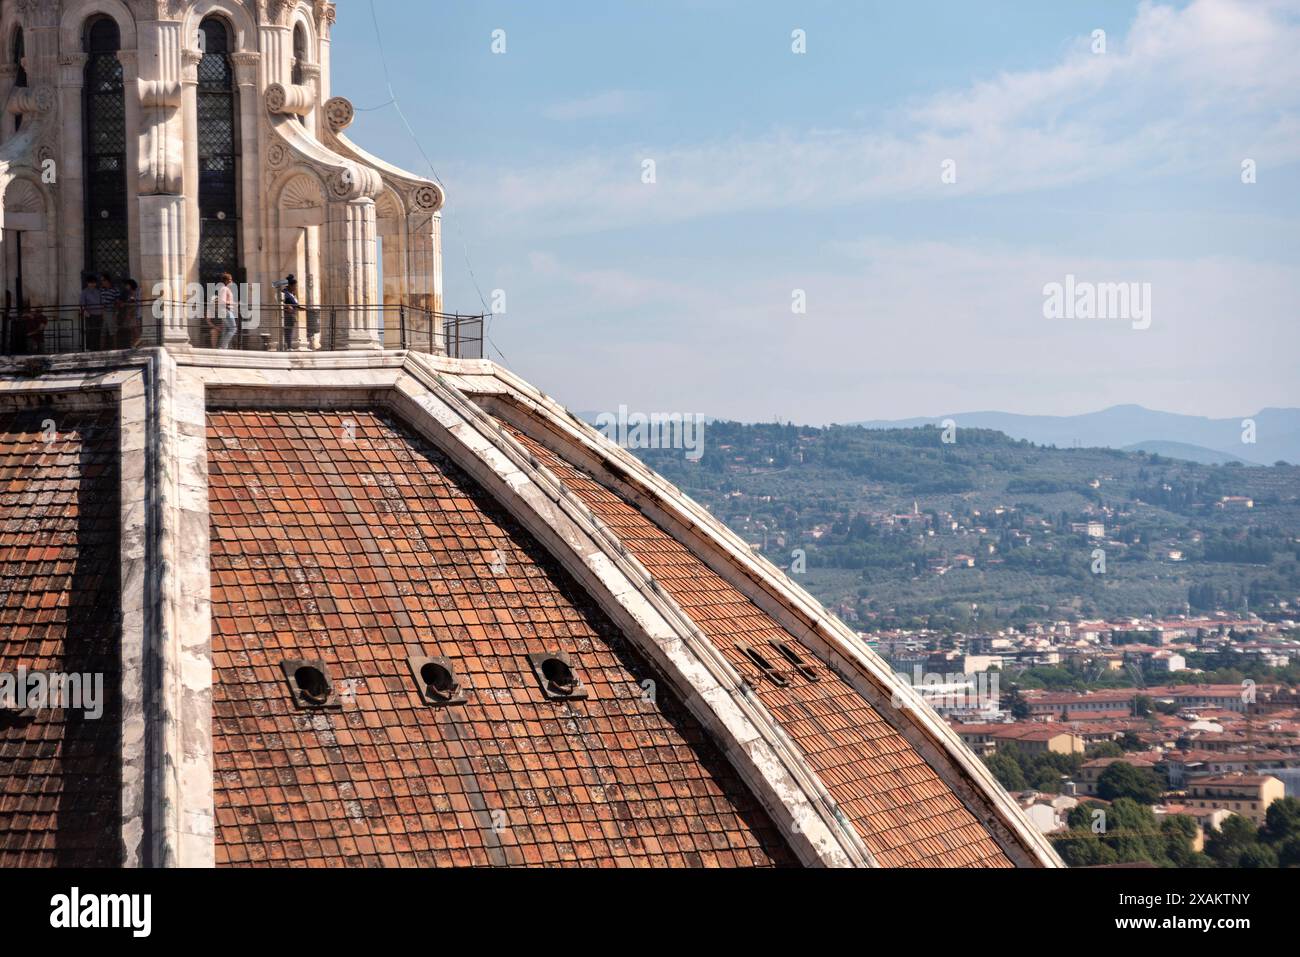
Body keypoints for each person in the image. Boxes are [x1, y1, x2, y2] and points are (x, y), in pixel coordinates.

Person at [79, 274, 103, 351]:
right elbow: (82, 304)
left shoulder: (98, 291)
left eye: (94, 282)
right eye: (91, 282)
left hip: (98, 314)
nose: (92, 284)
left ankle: (97, 348)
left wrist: (102, 313)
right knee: (90, 331)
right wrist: (85, 312)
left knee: (97, 331)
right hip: (90, 315)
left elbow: (101, 302)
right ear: (87, 283)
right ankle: (89, 348)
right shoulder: (84, 292)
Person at [215, 273, 237, 349]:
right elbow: (222, 301)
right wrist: (233, 303)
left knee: (226, 329)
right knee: (233, 328)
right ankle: (223, 346)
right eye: (230, 280)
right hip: (226, 311)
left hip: (224, 311)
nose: (232, 281)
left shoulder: (224, 289)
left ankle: (223, 348)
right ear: (226, 281)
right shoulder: (224, 289)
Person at [281, 275, 303, 350]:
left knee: (290, 331)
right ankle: (288, 347)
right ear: (290, 286)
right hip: (287, 315)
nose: (295, 287)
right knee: (288, 331)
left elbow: (296, 305)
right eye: (294, 286)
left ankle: (288, 346)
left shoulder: (292, 294)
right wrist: (287, 306)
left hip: (292, 314)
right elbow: (279, 302)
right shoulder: (284, 293)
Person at [98, 273, 119, 347]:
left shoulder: (115, 290)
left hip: (111, 312)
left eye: (103, 280)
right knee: (102, 332)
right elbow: (100, 301)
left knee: (112, 331)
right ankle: (101, 349)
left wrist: (115, 314)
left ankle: (115, 348)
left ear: (108, 281)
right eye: (101, 281)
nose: (102, 282)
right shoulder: (101, 290)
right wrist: (102, 312)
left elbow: (117, 302)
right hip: (103, 312)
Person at [119, 279, 141, 347]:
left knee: (135, 330)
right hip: (130, 314)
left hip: (134, 313)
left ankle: (136, 344)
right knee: (132, 330)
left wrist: (125, 304)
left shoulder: (135, 293)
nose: (126, 286)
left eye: (127, 285)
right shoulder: (129, 293)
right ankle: (133, 344)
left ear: (130, 285)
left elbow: (134, 303)